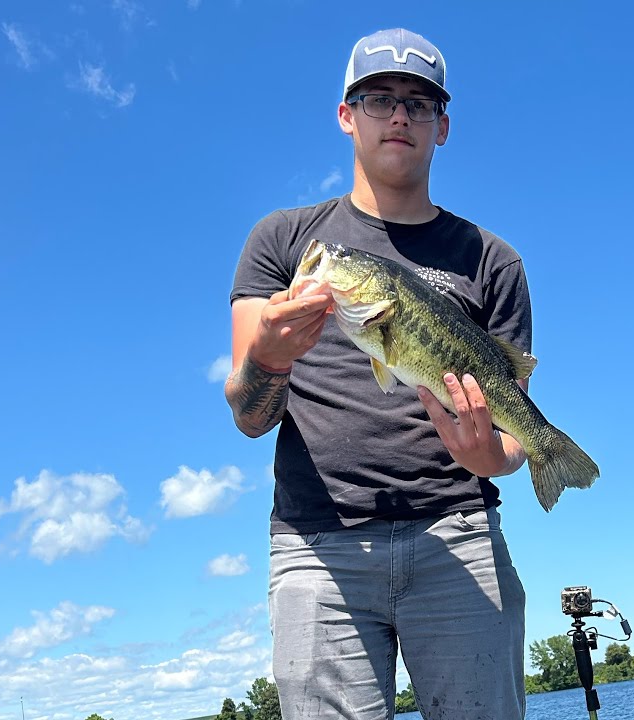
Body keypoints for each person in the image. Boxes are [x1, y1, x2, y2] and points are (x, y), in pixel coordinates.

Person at [225, 28, 531, 720]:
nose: (399, 116)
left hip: (459, 532)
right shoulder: (281, 241)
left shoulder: (494, 262)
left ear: (442, 127)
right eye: (379, 98)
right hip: (316, 548)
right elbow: (248, 415)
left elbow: (509, 435)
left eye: (419, 104)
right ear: (346, 114)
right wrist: (271, 356)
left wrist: (494, 455)